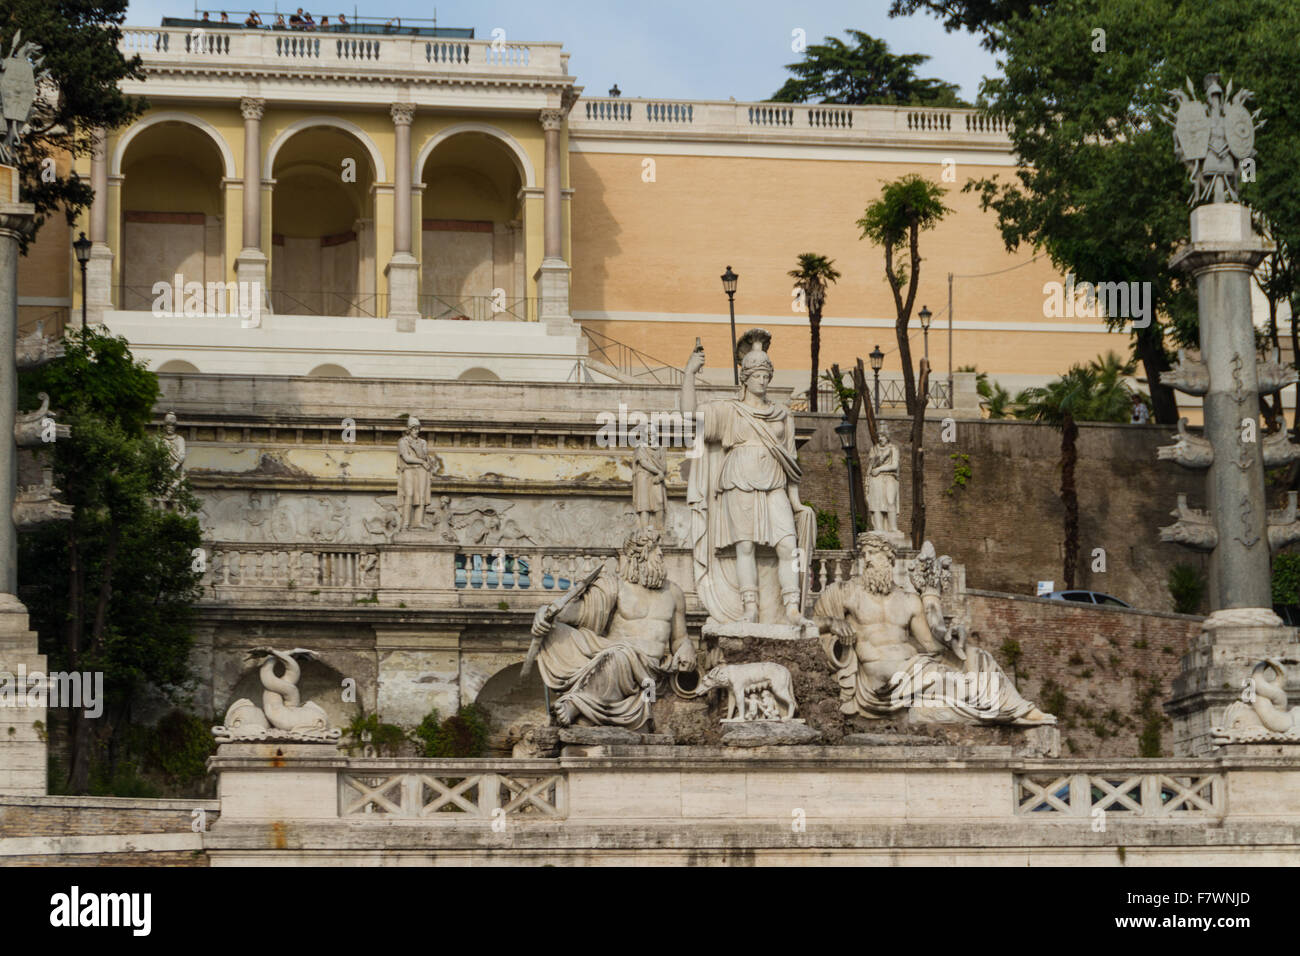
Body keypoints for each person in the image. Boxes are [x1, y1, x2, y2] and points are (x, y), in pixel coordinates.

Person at [814, 533, 1055, 724]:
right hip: (882, 677)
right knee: (946, 680)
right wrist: (832, 624)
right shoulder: (845, 593)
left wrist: (951, 638)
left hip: (914, 668)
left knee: (978, 657)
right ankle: (1008, 710)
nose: (866, 560)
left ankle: (1019, 708)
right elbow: (806, 627)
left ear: (889, 559)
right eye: (864, 555)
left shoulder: (908, 600)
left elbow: (931, 645)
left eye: (872, 554)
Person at [682, 329, 815, 627]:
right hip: (738, 479)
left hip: (774, 482)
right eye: (757, 375)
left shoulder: (782, 414)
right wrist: (689, 372)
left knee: (787, 544)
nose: (763, 381)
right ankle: (750, 607)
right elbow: (691, 417)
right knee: (745, 547)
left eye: (767, 375)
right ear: (746, 377)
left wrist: (796, 503)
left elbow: (791, 463)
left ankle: (792, 608)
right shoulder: (730, 411)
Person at [528, 529, 694, 729]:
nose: (660, 554)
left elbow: (680, 638)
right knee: (560, 633)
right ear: (637, 557)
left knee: (619, 656)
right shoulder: (614, 586)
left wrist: (686, 648)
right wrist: (545, 614)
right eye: (654, 549)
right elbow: (575, 613)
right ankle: (580, 703)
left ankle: (577, 704)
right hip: (614, 653)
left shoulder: (673, 592)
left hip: (650, 672)